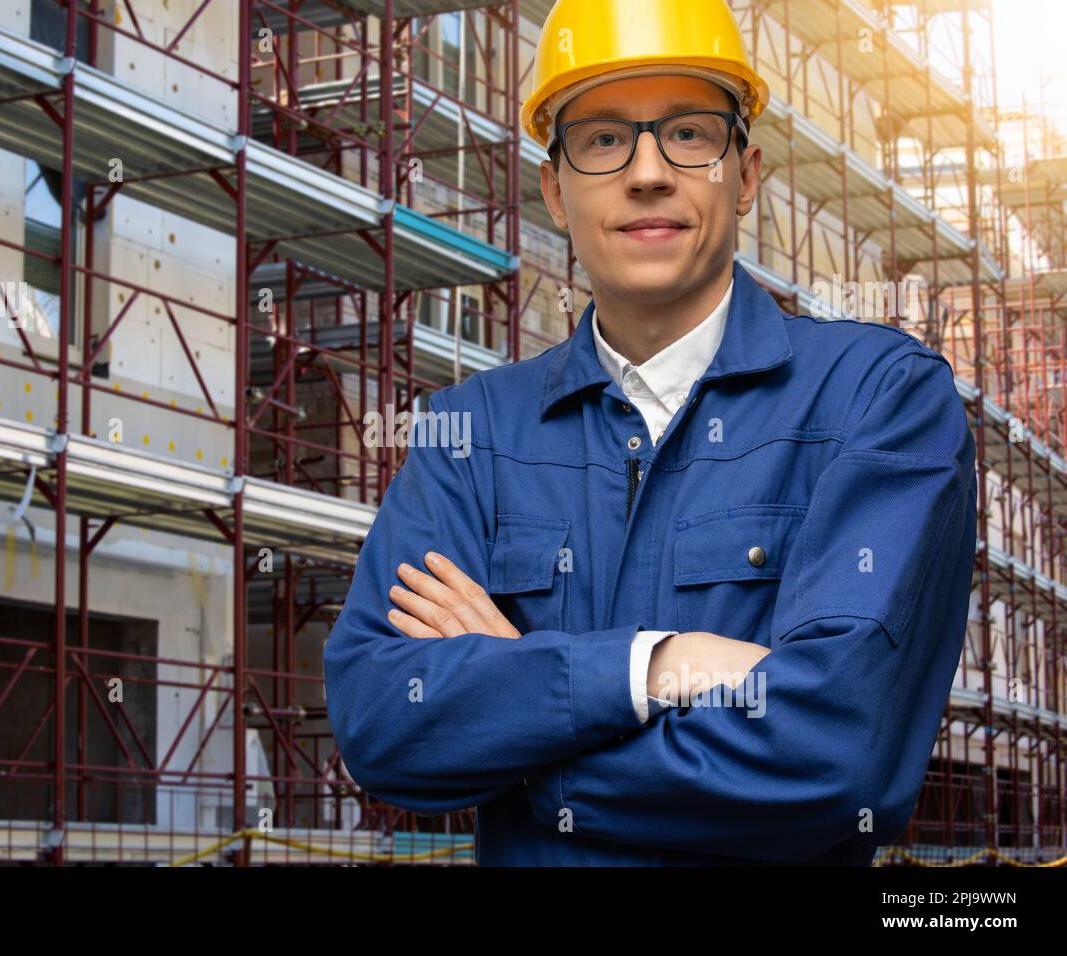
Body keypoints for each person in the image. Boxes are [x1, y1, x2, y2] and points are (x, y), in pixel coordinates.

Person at [323, 0, 977, 865]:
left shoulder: (878, 400)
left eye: (689, 133)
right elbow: (381, 719)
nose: (647, 174)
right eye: (601, 139)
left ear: (744, 176)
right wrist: (654, 666)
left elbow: (840, 750)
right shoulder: (469, 434)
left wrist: (522, 730)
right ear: (555, 189)